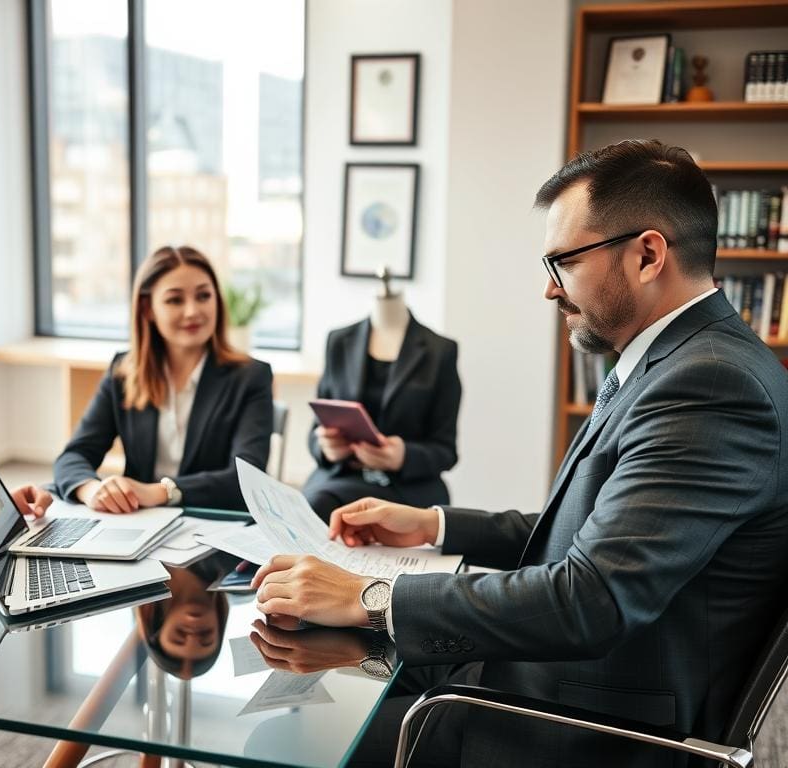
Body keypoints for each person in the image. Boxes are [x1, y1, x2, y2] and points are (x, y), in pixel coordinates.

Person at [251, 140, 788, 766]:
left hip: (584, 725)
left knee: (289, 731)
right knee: (318, 673)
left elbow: (591, 599)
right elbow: (593, 535)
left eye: (562, 262)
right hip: (561, 680)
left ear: (647, 255)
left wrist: (370, 597)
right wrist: (434, 525)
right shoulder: (678, 362)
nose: (549, 289)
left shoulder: (710, 387)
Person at [53, 245, 273, 512]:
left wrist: (161, 491)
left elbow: (248, 479)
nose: (192, 311)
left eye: (203, 296)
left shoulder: (250, 377)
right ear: (148, 309)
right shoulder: (124, 371)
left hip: (213, 525)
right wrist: (92, 490)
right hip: (139, 521)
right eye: (175, 300)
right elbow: (74, 455)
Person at [304, 284, 461, 522]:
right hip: (340, 476)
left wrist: (403, 456)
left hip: (407, 487)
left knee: (323, 509)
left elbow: (446, 450)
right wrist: (326, 447)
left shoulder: (441, 351)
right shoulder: (338, 341)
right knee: (307, 511)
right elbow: (315, 432)